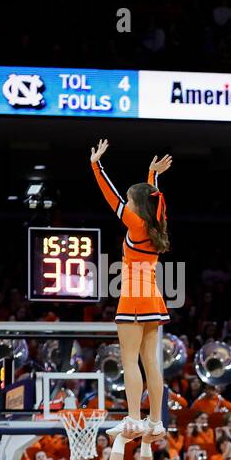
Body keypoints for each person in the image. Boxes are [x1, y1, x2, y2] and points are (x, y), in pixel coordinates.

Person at [88, 140, 173, 441]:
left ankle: (135, 419)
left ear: (136, 206)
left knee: (129, 360)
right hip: (153, 296)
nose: (127, 203)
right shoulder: (156, 222)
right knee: (151, 361)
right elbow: (154, 199)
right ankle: (155, 421)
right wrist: (152, 176)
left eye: (130, 200)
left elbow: (109, 195)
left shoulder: (136, 224)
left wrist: (96, 165)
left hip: (134, 297)